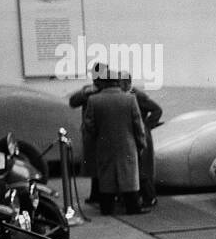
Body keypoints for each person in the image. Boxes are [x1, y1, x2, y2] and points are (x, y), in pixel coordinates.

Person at [82, 69, 148, 216]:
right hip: (127, 146)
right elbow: (138, 125)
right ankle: (133, 208)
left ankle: (106, 209)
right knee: (129, 178)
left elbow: (89, 126)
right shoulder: (130, 99)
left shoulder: (94, 100)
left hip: (104, 145)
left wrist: (96, 140)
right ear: (117, 82)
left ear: (103, 82)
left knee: (107, 179)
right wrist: (141, 144)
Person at [119, 71, 163, 209]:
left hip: (141, 134)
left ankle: (150, 197)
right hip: (135, 134)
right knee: (138, 167)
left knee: (142, 168)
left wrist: (146, 125)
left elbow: (157, 110)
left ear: (126, 82)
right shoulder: (128, 96)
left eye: (120, 82)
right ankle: (143, 197)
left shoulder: (137, 95)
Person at [68, 61, 106, 205]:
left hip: (96, 132)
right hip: (94, 133)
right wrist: (86, 92)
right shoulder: (88, 90)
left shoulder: (98, 91)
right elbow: (73, 102)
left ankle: (99, 195)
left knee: (100, 166)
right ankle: (96, 194)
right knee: (95, 166)